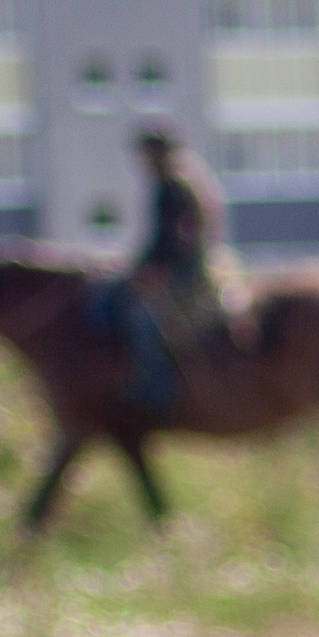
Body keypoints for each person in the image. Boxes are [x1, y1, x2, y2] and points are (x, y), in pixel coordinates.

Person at [109, 122, 232, 422]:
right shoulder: (174, 181)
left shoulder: (175, 186)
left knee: (142, 317)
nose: (144, 160)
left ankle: (157, 385)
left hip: (188, 271)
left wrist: (157, 272)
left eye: (148, 153)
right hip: (180, 266)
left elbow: (180, 239)